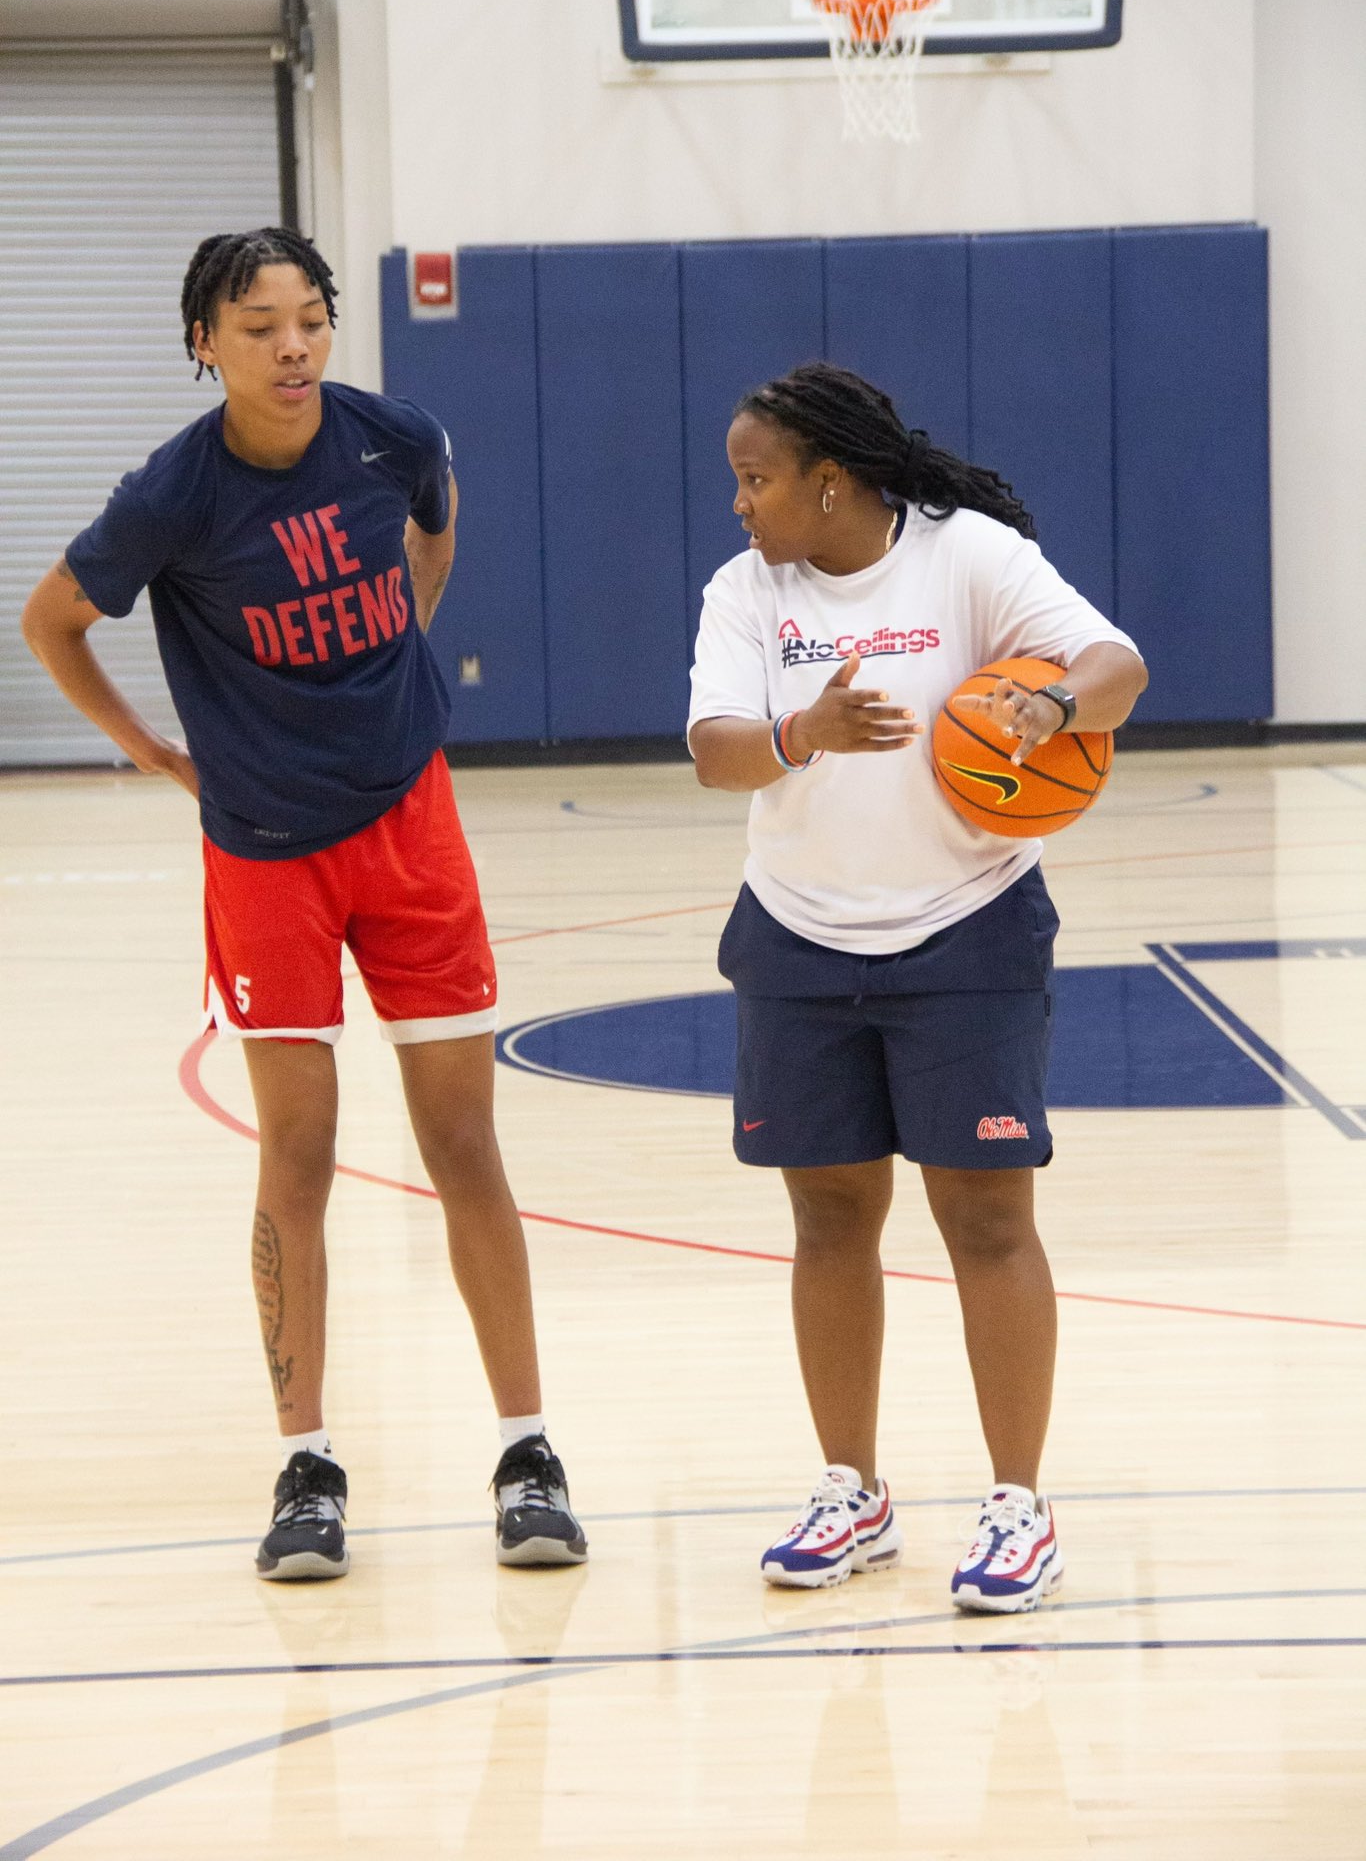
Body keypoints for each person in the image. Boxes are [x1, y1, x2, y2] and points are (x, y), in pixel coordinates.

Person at [21, 228, 585, 1582]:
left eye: (310, 319)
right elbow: (52, 619)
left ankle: (527, 1449)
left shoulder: (394, 438)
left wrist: (407, 635)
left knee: (464, 1140)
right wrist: (151, 751)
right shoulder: (171, 495)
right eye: (258, 323)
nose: (291, 346)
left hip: (409, 827)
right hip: (265, 852)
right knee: (302, 1155)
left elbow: (434, 528)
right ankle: (308, 1463)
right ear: (203, 344)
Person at [687, 363, 1147, 1612]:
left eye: (755, 477)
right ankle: (854, 1488)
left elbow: (1118, 664)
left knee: (986, 1223)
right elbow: (713, 751)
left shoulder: (968, 558)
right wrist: (804, 734)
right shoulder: (747, 591)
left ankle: (1017, 1505)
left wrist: (1050, 703)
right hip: (796, 934)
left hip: (968, 929)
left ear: (828, 480)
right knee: (829, 1221)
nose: (738, 502)